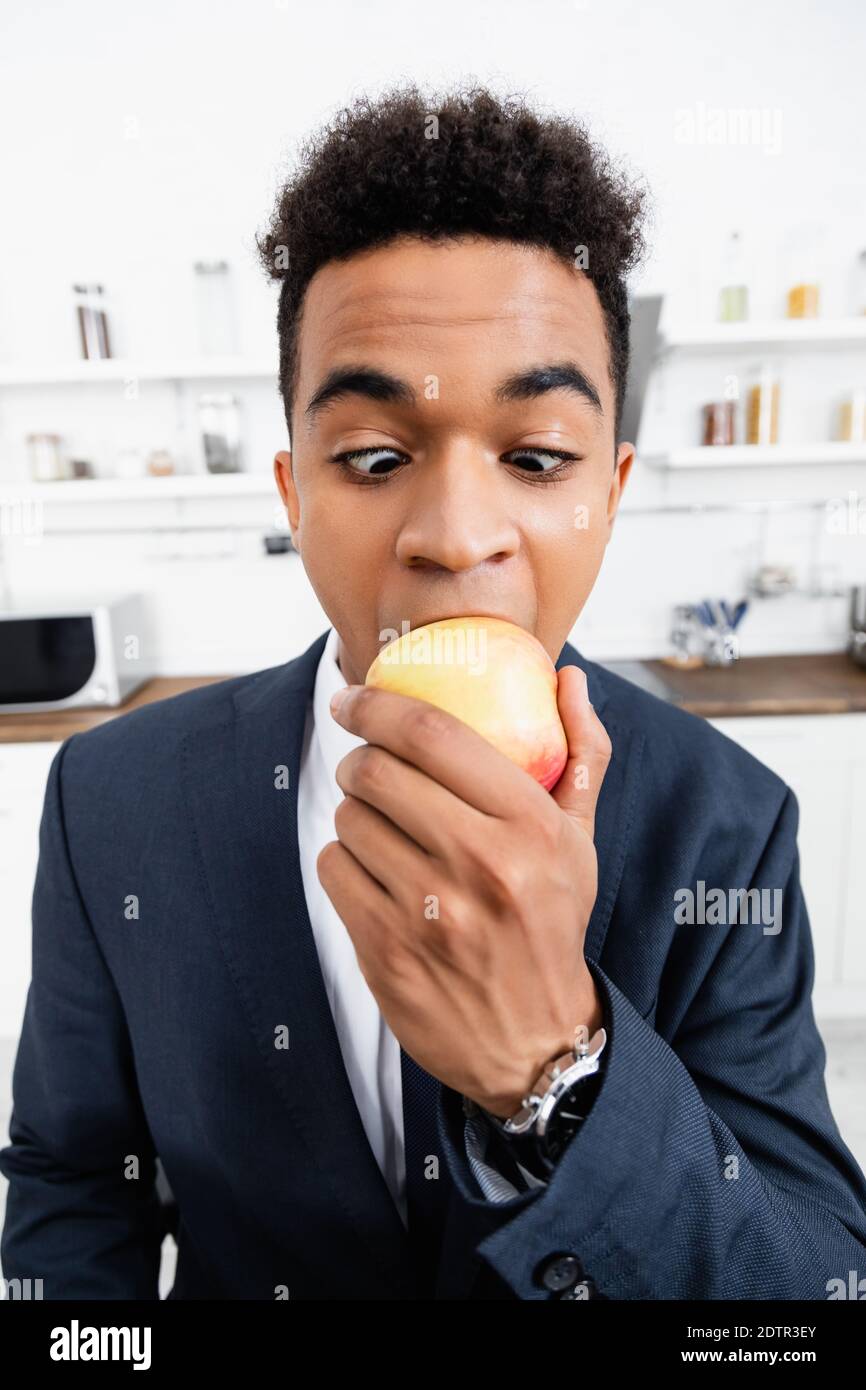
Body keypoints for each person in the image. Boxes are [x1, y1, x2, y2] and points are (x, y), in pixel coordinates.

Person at [2, 83, 866, 1301]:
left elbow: (801, 1302)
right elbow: (72, 1182)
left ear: (609, 490)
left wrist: (555, 1067)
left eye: (533, 458)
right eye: (371, 458)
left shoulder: (725, 819)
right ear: (293, 491)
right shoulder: (113, 797)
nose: (457, 538)